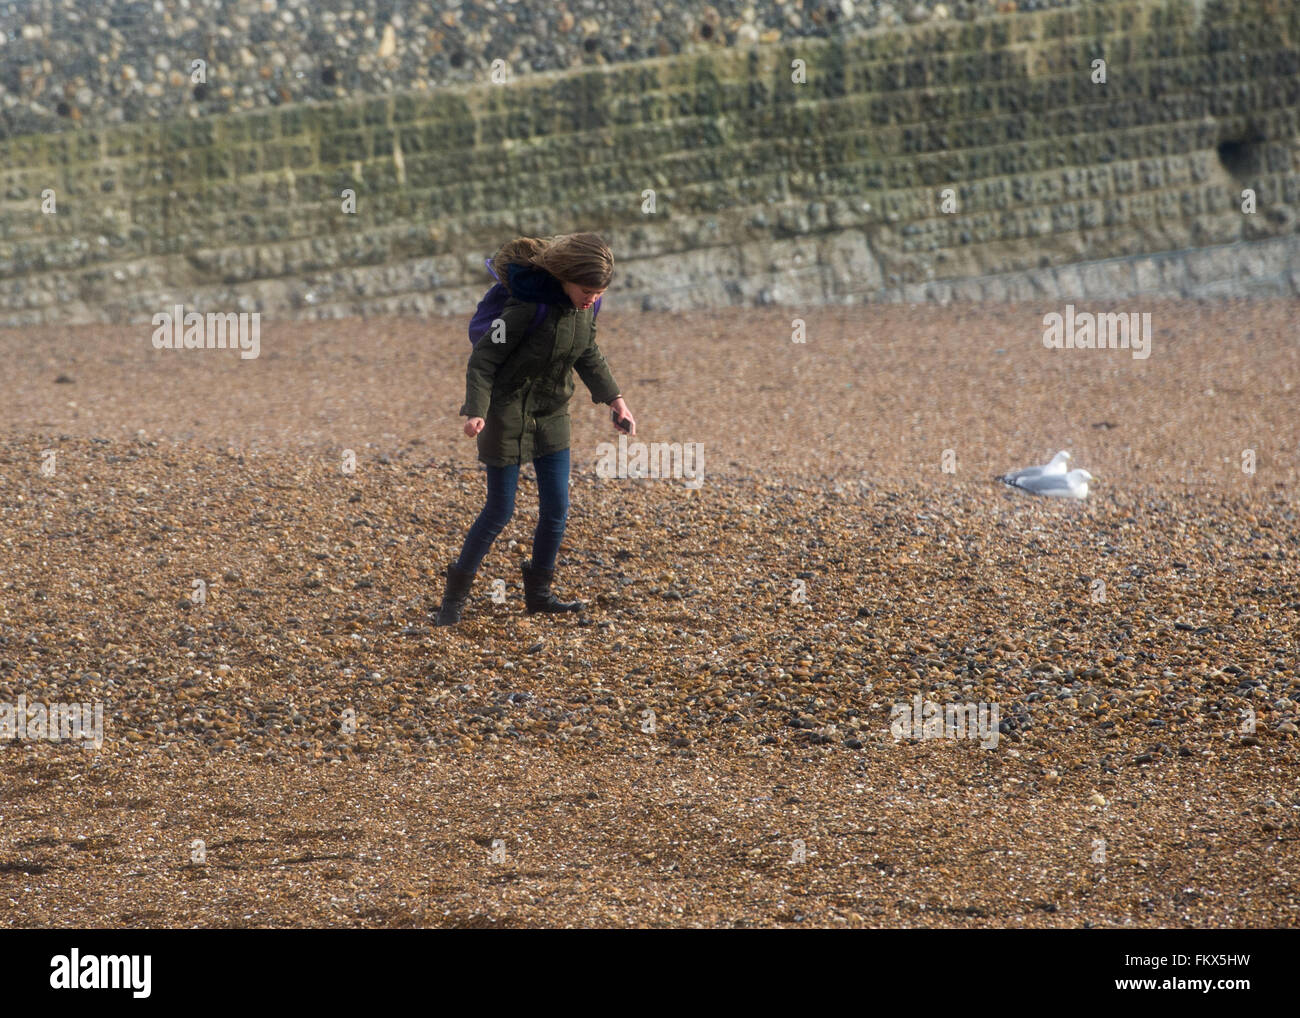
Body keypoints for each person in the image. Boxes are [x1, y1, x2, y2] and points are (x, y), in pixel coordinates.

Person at [436, 232, 636, 626]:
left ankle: (540, 596)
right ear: (564, 276)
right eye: (586, 290)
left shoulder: (585, 310)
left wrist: (616, 400)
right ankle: (453, 601)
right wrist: (476, 410)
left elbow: (589, 354)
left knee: (557, 508)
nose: (592, 298)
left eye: (599, 292)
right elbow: (483, 360)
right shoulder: (528, 307)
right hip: (506, 411)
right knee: (499, 510)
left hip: (552, 414)